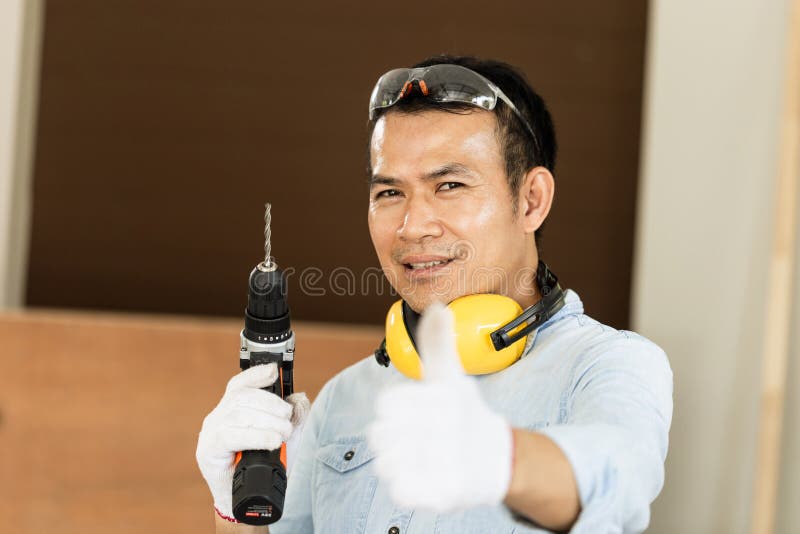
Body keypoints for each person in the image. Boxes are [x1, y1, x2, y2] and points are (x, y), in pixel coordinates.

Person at [196, 55, 673, 533]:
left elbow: (615, 479)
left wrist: (500, 458)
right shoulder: (342, 398)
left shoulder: (609, 365)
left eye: (449, 185)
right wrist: (235, 508)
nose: (412, 226)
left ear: (531, 201)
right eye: (389, 193)